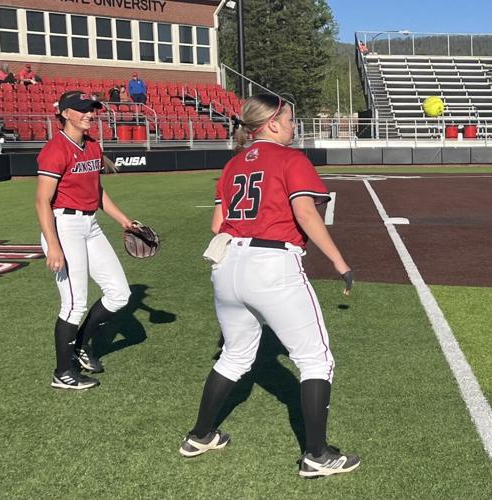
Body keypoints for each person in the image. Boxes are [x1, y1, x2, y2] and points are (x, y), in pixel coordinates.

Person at [181, 93, 360, 478]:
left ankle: (200, 435)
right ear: (273, 123)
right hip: (272, 263)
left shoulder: (231, 166)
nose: (294, 127)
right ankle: (317, 455)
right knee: (316, 360)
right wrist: (339, 261)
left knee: (234, 356)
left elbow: (217, 225)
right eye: (291, 120)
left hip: (227, 263)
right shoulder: (291, 159)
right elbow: (306, 212)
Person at [35, 90, 137, 390]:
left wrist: (124, 220)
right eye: (83, 109)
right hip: (63, 226)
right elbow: (42, 201)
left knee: (119, 293)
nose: (90, 113)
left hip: (89, 224)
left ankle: (79, 346)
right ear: (66, 114)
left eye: (92, 108)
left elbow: (97, 191)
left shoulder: (92, 145)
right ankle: (62, 373)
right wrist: (53, 245)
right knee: (74, 304)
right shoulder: (55, 150)